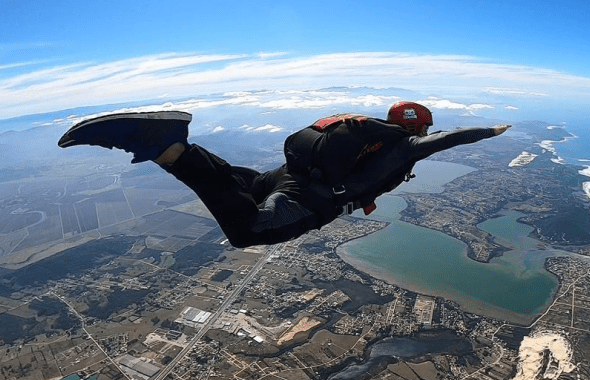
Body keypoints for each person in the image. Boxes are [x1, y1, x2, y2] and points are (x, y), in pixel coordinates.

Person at [58, 102, 510, 247]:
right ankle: (162, 146)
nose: (427, 132)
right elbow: (448, 141)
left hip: (283, 176)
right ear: (416, 127)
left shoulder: (362, 132)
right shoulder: (403, 146)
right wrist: (489, 130)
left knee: (240, 185)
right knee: (247, 231)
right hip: (307, 200)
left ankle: (174, 146)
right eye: (424, 127)